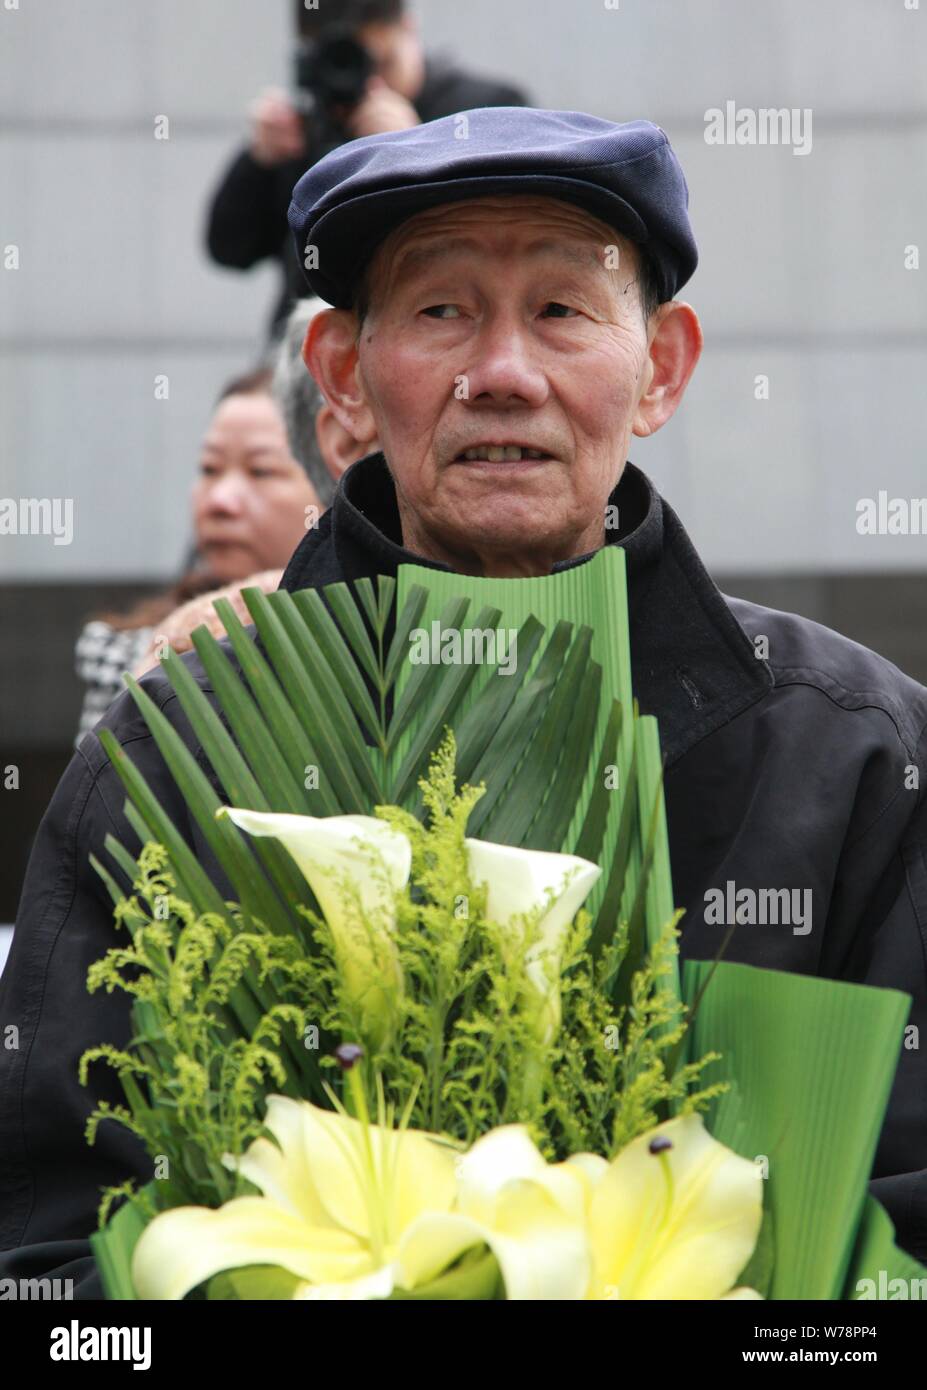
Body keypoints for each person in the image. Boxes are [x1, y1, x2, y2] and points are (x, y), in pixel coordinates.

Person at [3, 108, 927, 1297]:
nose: (502, 373)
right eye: (441, 311)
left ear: (665, 368)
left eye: (561, 310)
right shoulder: (185, 757)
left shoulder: (854, 755)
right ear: (343, 374)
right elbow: (48, 1261)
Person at [205, 0, 529, 339]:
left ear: (408, 27)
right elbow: (229, 249)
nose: (368, 82)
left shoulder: (483, 109)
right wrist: (258, 161)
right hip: (307, 345)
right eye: (343, 62)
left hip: (441, 338)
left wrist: (417, 150)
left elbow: (508, 234)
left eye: (382, 62)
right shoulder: (313, 121)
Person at [73, 368, 322, 744]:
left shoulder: (382, 645)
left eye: (261, 470)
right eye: (209, 468)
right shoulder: (127, 652)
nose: (220, 500)